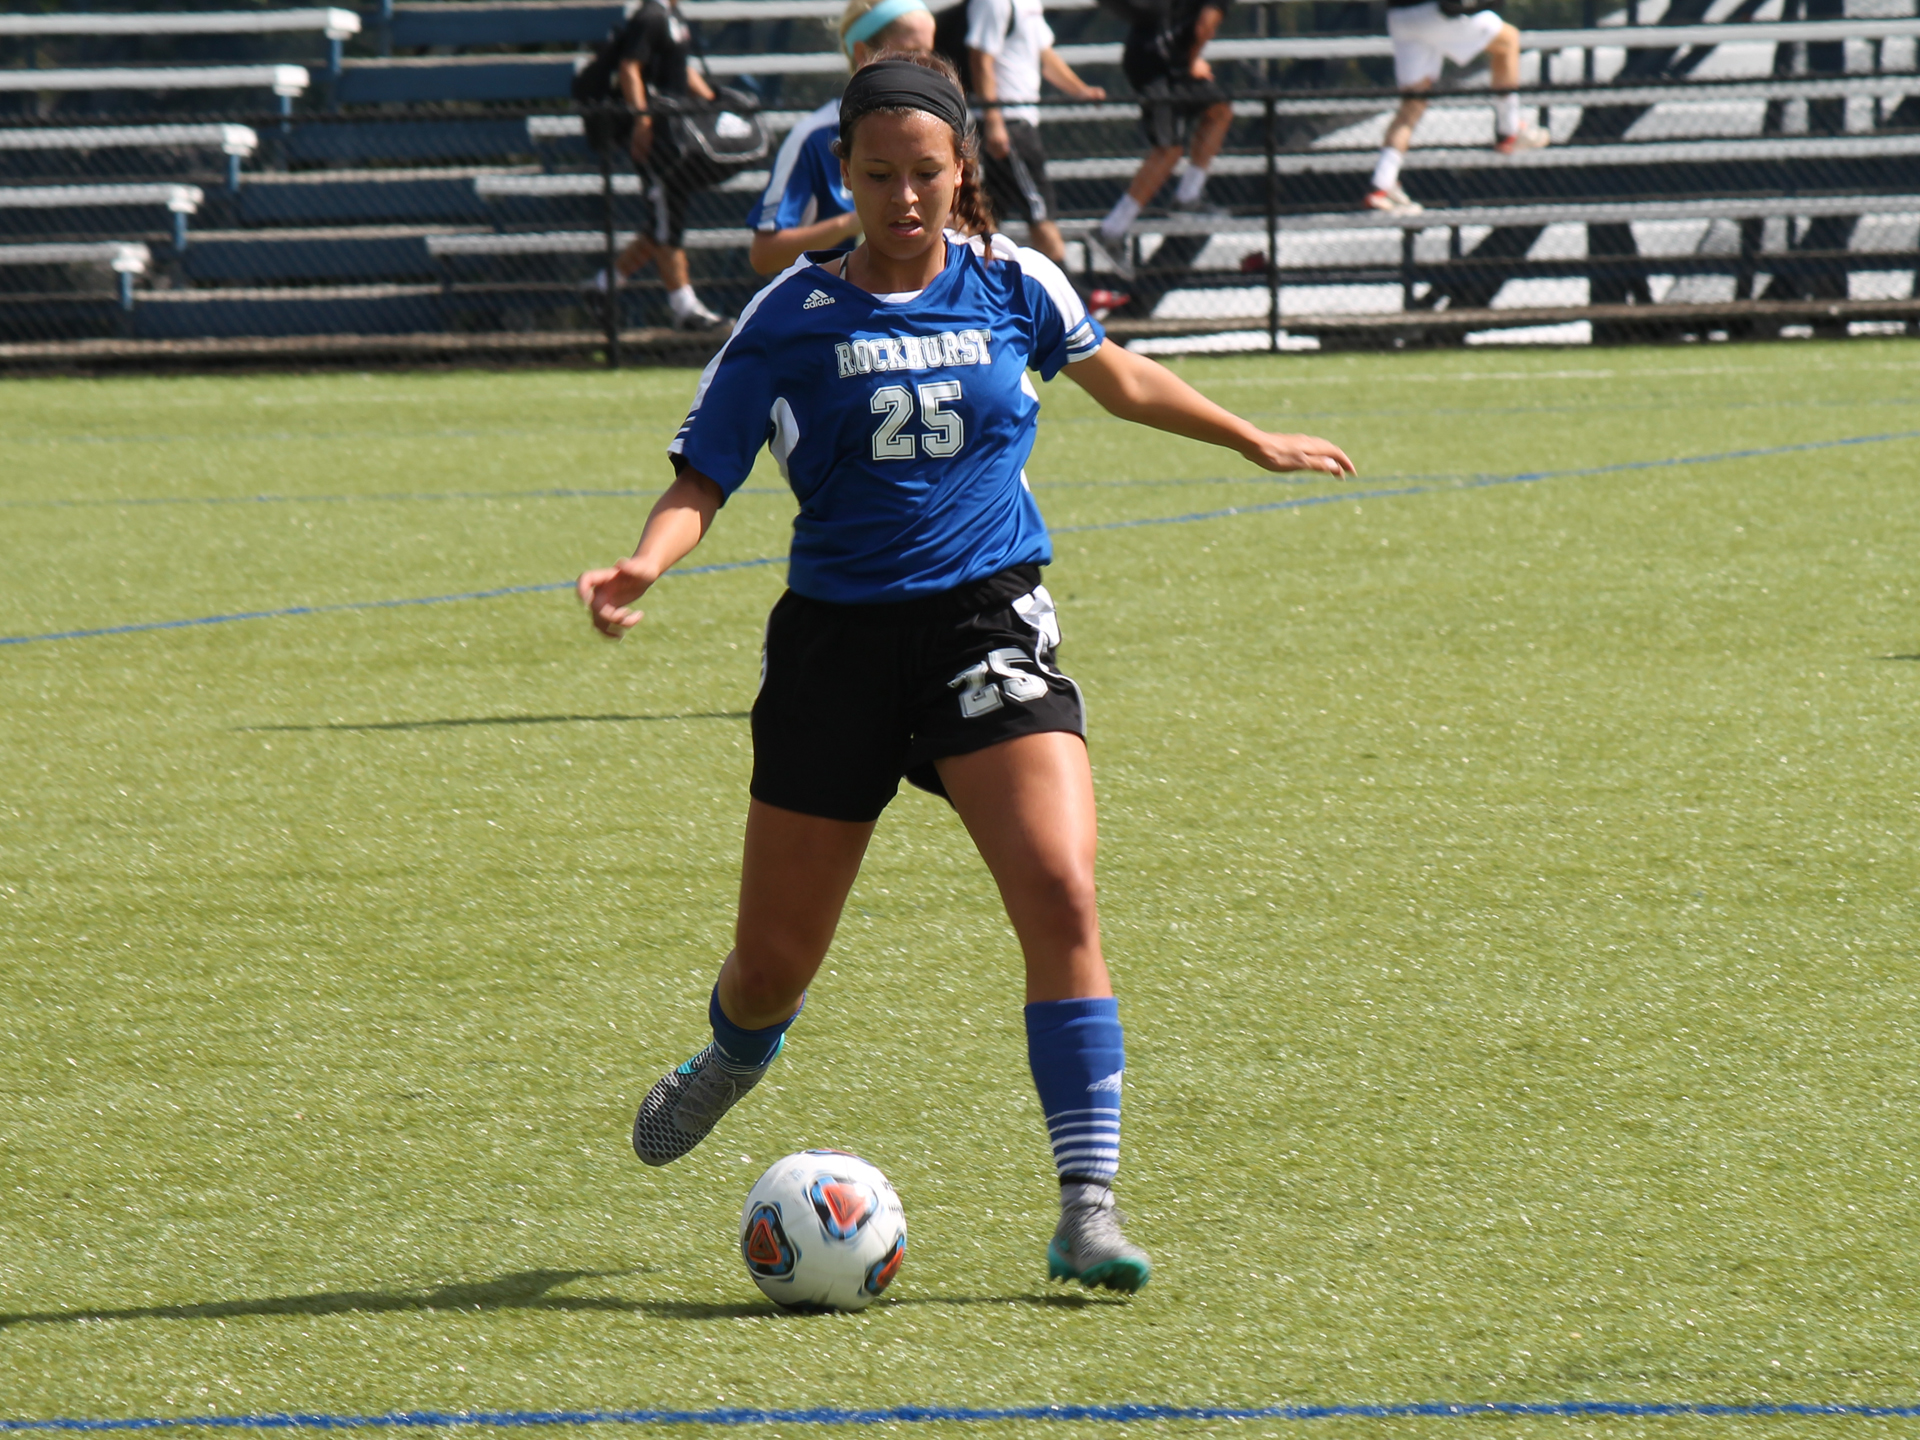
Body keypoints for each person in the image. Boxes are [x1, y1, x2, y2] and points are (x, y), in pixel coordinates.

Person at [578, 54, 1352, 1294]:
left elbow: (1121, 376)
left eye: (925, 174)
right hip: (835, 652)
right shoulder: (789, 318)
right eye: (875, 176)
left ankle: (1085, 1205)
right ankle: (732, 1055)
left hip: (986, 625)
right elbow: (703, 474)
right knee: (773, 964)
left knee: (1061, 888)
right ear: (847, 173)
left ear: (962, 173)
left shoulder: (1016, 284)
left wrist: (1251, 435)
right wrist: (646, 563)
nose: (902, 199)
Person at [744, 0, 938, 276]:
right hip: (829, 310)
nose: (924, 66)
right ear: (863, 53)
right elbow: (764, 256)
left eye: (928, 53)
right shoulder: (814, 138)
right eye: (910, 52)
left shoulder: (937, 132)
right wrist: (856, 222)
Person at [588, 0, 729, 330]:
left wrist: (711, 102)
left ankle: (603, 285)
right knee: (667, 218)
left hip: (675, 133)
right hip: (657, 137)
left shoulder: (671, 15)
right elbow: (629, 67)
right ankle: (684, 308)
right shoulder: (650, 15)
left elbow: (682, 69)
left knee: (663, 219)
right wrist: (643, 120)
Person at [1365, 2, 1550, 214]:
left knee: (1412, 105)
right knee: (1508, 40)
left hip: (1401, 16)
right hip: (1434, 11)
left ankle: (1382, 185)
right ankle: (1509, 131)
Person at [1093, 0, 1234, 275]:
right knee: (1168, 149)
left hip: (1160, 60)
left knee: (1219, 109)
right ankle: (1110, 230)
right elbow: (1204, 26)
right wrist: (1192, 61)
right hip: (1158, 64)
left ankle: (1188, 195)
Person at [965, 0, 1106, 269]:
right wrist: (994, 120)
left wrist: (1081, 90)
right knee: (1038, 208)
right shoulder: (993, 3)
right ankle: (1069, 289)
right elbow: (980, 58)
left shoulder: (1027, 3)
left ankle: (979, 275)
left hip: (1019, 123)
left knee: (989, 212)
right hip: (1008, 124)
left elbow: (1044, 55)